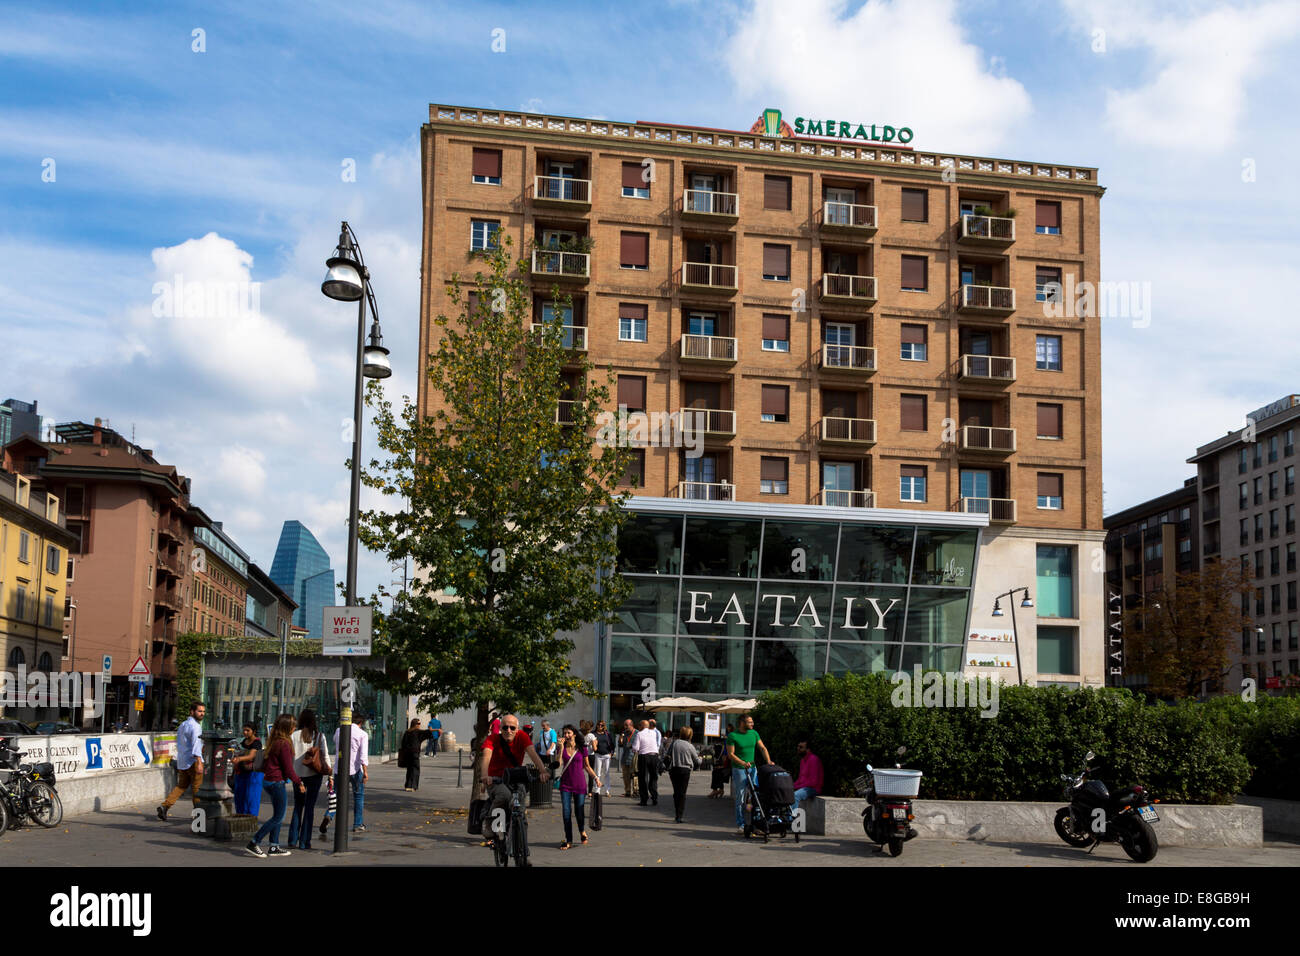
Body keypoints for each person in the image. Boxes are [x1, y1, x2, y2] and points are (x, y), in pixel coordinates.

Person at [245, 713, 305, 857]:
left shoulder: (276, 741)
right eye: (293, 726)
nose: (295, 728)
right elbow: (288, 768)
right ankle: (254, 842)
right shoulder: (284, 743)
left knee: (278, 814)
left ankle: (274, 846)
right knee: (278, 816)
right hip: (276, 782)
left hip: (269, 780)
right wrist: (299, 782)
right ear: (287, 727)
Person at [478, 714, 550, 830]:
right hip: (496, 779)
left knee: (520, 803)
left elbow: (533, 754)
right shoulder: (493, 739)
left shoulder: (522, 736)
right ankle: (490, 824)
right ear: (500, 729)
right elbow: (486, 757)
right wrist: (485, 777)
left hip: (514, 777)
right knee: (504, 795)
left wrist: (543, 771)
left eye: (512, 728)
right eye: (505, 727)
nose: (509, 730)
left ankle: (521, 837)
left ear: (517, 729)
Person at [288, 708, 330, 851]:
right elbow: (325, 756)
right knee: (309, 807)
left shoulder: (294, 736)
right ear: (314, 721)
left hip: (297, 776)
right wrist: (330, 774)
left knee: (298, 806)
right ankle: (305, 842)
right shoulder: (319, 736)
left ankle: (292, 840)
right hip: (314, 775)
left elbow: (290, 757)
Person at [157, 701, 205, 821]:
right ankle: (198, 816)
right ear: (192, 712)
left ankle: (165, 806)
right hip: (193, 761)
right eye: (199, 711)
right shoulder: (196, 727)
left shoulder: (183, 724)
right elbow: (196, 745)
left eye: (203, 711)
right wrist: (199, 761)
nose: (202, 714)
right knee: (197, 789)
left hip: (183, 761)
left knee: (181, 786)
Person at [556, 724, 601, 849]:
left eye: (569, 733)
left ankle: (581, 831)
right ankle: (569, 840)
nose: (566, 735)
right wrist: (559, 749)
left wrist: (596, 778)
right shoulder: (562, 747)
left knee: (579, 811)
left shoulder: (582, 748)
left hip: (580, 784)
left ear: (574, 734)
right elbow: (558, 763)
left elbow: (587, 766)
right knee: (566, 812)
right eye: (565, 733)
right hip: (565, 784)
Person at [726, 715, 772, 834]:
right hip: (739, 769)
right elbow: (731, 754)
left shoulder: (754, 733)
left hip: (752, 768)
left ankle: (756, 824)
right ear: (742, 723)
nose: (752, 724)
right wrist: (742, 763)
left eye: (752, 722)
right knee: (740, 797)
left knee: (756, 796)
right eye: (750, 722)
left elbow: (762, 748)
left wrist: (768, 761)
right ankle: (741, 824)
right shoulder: (732, 736)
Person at [333, 711, 370, 833]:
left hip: (339, 768)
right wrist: (365, 772)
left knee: (337, 796)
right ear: (360, 723)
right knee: (358, 796)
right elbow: (363, 756)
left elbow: (334, 742)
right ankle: (357, 823)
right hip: (355, 769)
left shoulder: (339, 731)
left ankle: (329, 815)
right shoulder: (362, 734)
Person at [228, 721, 263, 816]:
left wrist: (238, 759)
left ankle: (250, 820)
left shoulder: (257, 743)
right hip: (241, 773)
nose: (245, 732)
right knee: (239, 798)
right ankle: (241, 819)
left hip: (253, 774)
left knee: (251, 799)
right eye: (244, 730)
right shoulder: (244, 741)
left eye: (248, 730)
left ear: (254, 731)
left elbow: (251, 756)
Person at [666, 726, 701, 823]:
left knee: (676, 792)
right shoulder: (690, 746)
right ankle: (679, 816)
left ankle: (677, 812)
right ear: (690, 735)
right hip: (685, 770)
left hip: (674, 769)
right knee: (682, 793)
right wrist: (701, 758)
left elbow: (667, 754)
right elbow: (697, 761)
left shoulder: (674, 743)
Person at [399, 718, 433, 791]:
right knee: (415, 769)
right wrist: (430, 730)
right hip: (414, 753)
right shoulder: (418, 732)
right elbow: (427, 734)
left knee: (409, 769)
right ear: (415, 724)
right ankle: (413, 786)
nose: (419, 725)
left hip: (408, 753)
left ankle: (408, 786)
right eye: (419, 724)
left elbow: (403, 743)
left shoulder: (407, 732)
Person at [791, 738, 824, 812]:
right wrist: (791, 786)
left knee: (795, 796)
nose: (798, 749)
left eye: (801, 747)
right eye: (798, 746)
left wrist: (797, 787)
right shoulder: (802, 761)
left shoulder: (814, 760)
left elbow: (813, 782)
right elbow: (800, 779)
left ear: (808, 749)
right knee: (787, 792)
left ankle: (792, 820)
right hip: (804, 788)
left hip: (813, 789)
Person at [633, 719, 661, 806]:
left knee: (643, 778)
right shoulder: (654, 733)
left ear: (642, 726)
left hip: (644, 756)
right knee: (653, 777)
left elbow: (635, 748)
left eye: (639, 725)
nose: (638, 727)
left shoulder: (639, 734)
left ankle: (644, 800)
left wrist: (632, 747)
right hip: (654, 756)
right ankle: (654, 797)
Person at [591, 719, 615, 796]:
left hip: (607, 755)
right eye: (599, 725)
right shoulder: (593, 734)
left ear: (604, 726)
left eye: (602, 725)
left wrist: (612, 753)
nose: (600, 726)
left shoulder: (607, 734)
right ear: (596, 725)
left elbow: (612, 744)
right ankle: (597, 790)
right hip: (598, 754)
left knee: (607, 773)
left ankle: (607, 790)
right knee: (597, 773)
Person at [618, 719, 638, 798]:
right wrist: (620, 738)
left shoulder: (637, 733)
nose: (625, 727)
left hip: (634, 758)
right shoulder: (624, 733)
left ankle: (636, 791)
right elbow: (620, 745)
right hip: (625, 757)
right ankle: (628, 791)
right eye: (624, 725)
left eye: (626, 725)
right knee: (626, 776)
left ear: (631, 725)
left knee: (635, 775)